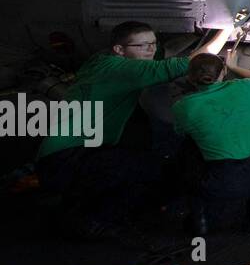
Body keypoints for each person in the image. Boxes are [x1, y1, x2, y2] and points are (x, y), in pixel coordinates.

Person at [34, 21, 192, 240]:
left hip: (68, 154)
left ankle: (81, 209)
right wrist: (224, 36)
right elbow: (177, 66)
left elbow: (158, 57)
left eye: (153, 43)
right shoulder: (118, 69)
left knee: (137, 160)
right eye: (143, 45)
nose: (151, 50)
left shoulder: (103, 60)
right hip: (67, 160)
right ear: (119, 49)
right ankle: (92, 222)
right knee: (151, 168)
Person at [172, 53, 250, 233]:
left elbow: (180, 131)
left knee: (188, 149)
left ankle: (199, 217)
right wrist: (233, 65)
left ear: (189, 77)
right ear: (223, 72)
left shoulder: (183, 107)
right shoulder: (245, 87)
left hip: (225, 180)